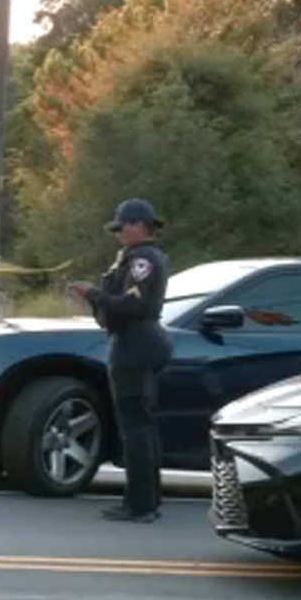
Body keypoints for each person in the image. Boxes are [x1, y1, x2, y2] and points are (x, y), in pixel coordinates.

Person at [66, 198, 173, 523]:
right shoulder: (145, 257)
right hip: (139, 343)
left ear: (138, 226)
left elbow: (132, 305)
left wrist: (91, 294)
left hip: (134, 345)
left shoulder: (142, 260)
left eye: (122, 228)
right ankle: (148, 499)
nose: (118, 234)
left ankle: (139, 504)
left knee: (135, 427)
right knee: (143, 425)